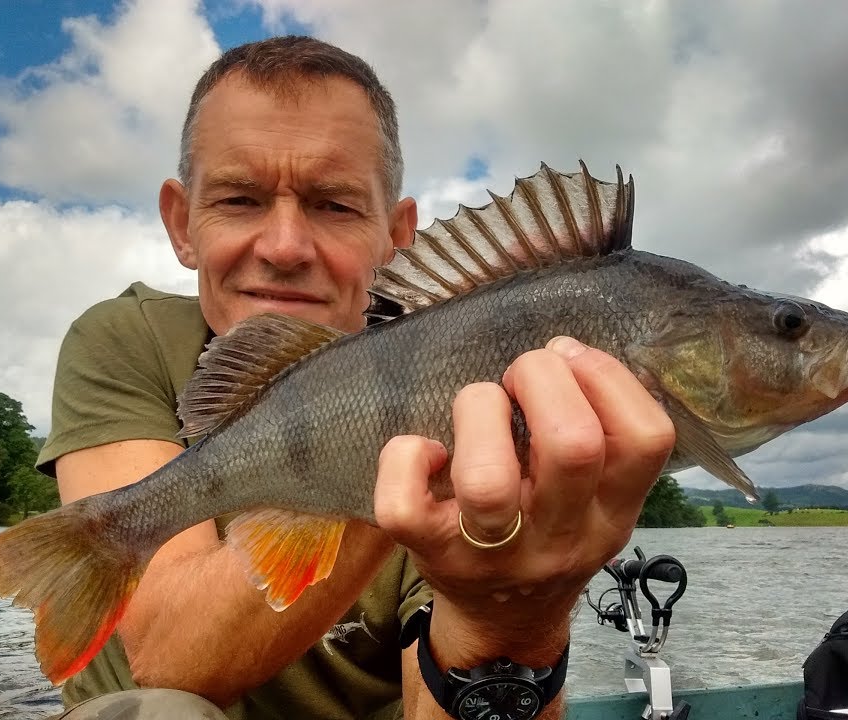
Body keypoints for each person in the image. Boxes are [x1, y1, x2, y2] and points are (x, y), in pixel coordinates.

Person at [36, 35, 675, 720]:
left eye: (335, 205)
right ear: (180, 222)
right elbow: (172, 658)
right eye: (240, 200)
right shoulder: (127, 338)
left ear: (397, 233)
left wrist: (512, 620)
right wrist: (413, 444)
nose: (283, 248)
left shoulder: (489, 422)